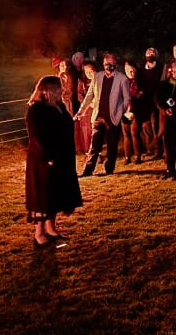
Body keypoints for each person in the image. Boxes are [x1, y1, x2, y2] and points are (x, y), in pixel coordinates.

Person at [24, 75, 82, 249]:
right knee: (42, 197)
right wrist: (48, 157)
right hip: (43, 161)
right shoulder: (36, 110)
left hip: (61, 159)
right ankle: (39, 233)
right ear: (47, 90)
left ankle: (51, 228)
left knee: (55, 194)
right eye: (58, 88)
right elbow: (36, 136)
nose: (61, 91)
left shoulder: (59, 106)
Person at [75, 52, 131, 177]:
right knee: (94, 145)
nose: (109, 66)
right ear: (103, 64)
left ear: (115, 64)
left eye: (111, 63)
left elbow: (127, 99)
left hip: (113, 117)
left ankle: (109, 169)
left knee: (112, 145)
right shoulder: (97, 77)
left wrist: (121, 112)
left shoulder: (122, 79)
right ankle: (88, 170)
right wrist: (81, 111)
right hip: (98, 116)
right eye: (106, 63)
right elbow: (89, 95)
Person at [122, 59, 153, 164]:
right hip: (125, 111)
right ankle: (127, 156)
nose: (131, 73)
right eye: (128, 71)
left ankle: (137, 156)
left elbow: (142, 97)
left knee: (134, 132)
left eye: (132, 70)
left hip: (138, 111)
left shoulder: (141, 81)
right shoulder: (123, 81)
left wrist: (133, 111)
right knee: (126, 133)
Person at [140, 47, 163, 157]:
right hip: (145, 100)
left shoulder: (160, 68)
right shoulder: (142, 69)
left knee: (156, 124)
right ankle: (149, 147)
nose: (151, 54)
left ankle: (158, 148)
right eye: (148, 52)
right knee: (146, 125)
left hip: (156, 99)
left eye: (153, 52)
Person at [74, 59, 96, 156]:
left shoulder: (100, 80)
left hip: (96, 107)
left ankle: (96, 150)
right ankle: (88, 151)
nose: (89, 74)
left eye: (91, 71)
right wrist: (87, 104)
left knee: (95, 129)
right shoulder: (81, 81)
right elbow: (80, 95)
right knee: (86, 130)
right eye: (87, 72)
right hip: (86, 109)